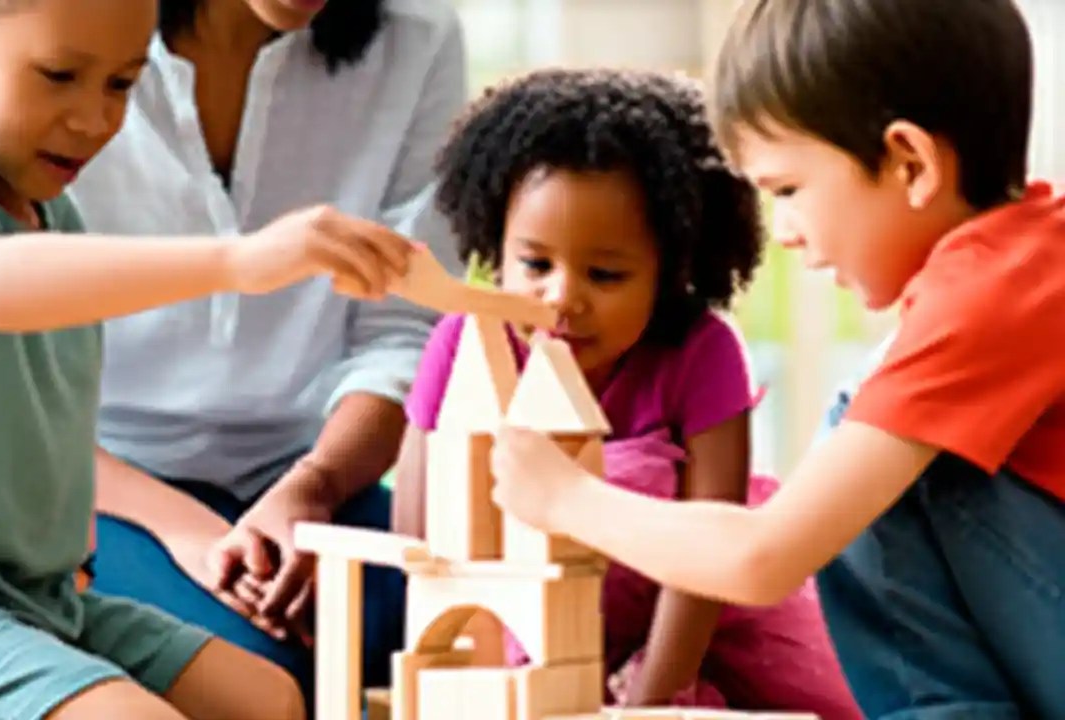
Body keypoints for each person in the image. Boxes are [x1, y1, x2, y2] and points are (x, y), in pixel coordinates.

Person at [0, 0, 417, 718]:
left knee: (270, 700)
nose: (95, 120)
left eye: (120, 85)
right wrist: (239, 261)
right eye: (59, 75)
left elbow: (36, 418)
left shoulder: (52, 212)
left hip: (39, 598)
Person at [484, 1, 1065, 718]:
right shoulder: (1029, 261)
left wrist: (567, 499)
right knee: (887, 438)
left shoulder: (987, 296)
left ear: (908, 162)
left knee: (870, 436)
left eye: (787, 191)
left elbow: (762, 558)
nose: (784, 232)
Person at [392, 68, 861, 717]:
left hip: (685, 625)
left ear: (672, 271)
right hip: (512, 630)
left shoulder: (703, 352)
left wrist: (653, 696)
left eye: (605, 274)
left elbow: (705, 562)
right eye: (534, 265)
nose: (562, 297)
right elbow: (421, 535)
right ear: (493, 246)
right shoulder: (464, 345)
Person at [67, 0, 467, 700]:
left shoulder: (420, 35)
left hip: (320, 476)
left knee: (449, 647)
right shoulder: (72, 30)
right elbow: (7, 375)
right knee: (260, 673)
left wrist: (313, 484)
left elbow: (406, 330)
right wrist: (189, 531)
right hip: (103, 485)